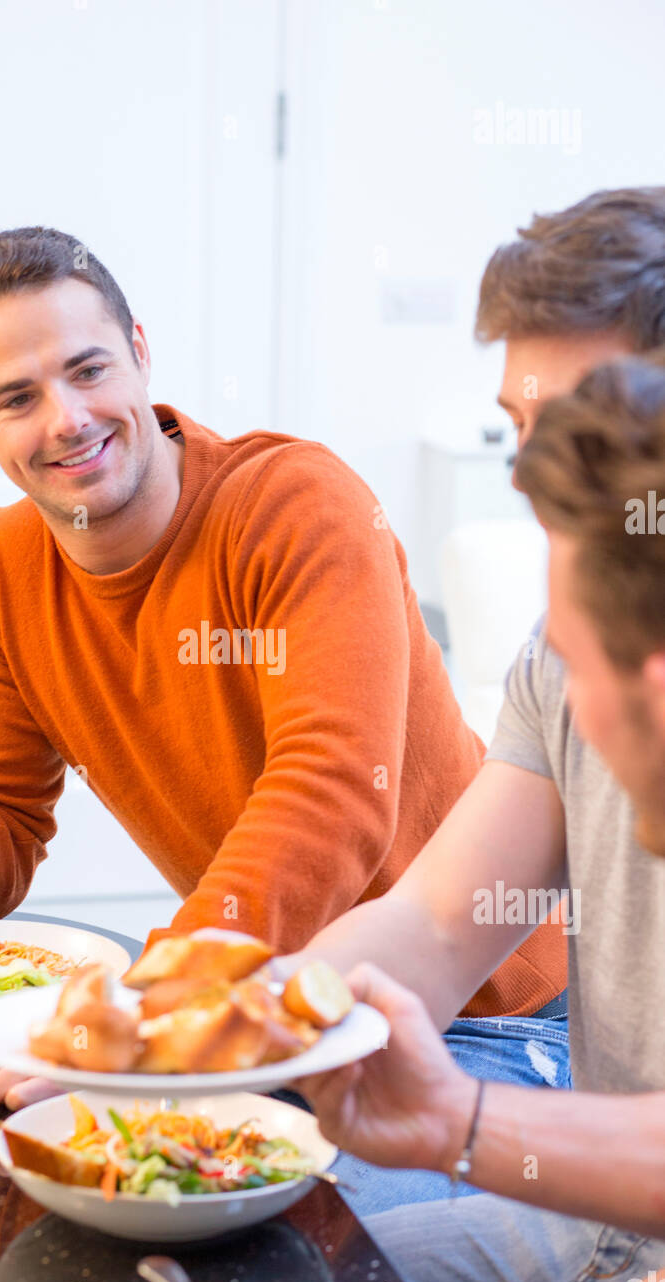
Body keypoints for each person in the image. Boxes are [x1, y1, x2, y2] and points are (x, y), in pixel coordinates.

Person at [0, 226, 565, 1111]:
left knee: (246, 1215)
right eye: (16, 397)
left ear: (139, 354)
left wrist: (143, 1015)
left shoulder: (298, 506)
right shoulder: (2, 568)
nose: (67, 419)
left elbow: (330, 796)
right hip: (258, 1007)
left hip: (482, 1019)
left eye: (88, 370)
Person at [276, 186, 665, 1221]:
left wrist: (459, 1121)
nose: (531, 478)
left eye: (575, 425)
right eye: (518, 431)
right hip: (592, 1215)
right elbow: (442, 921)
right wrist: (182, 1039)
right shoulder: (559, 655)